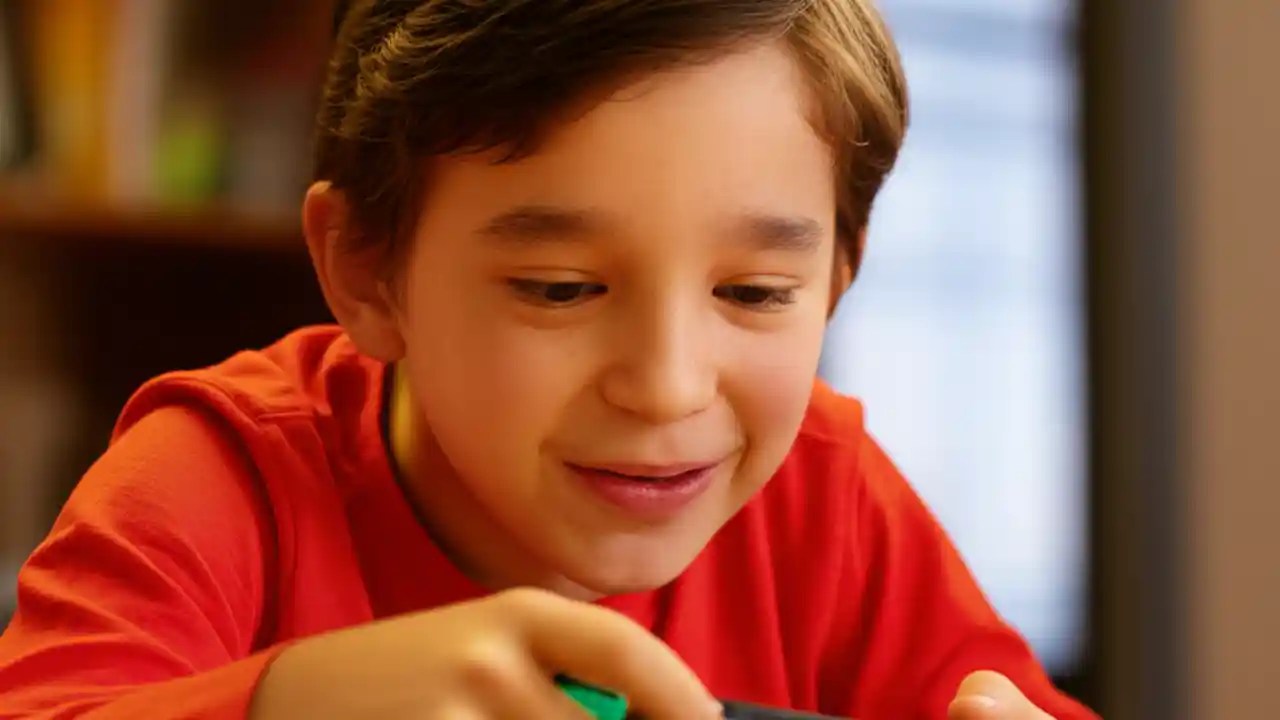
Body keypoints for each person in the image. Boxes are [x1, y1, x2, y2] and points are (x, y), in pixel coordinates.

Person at [0, 2, 1098, 718]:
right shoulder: (227, 472)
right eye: (559, 290)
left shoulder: (826, 494)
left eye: (754, 294)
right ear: (367, 272)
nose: (667, 386)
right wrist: (291, 703)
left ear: (837, 282)